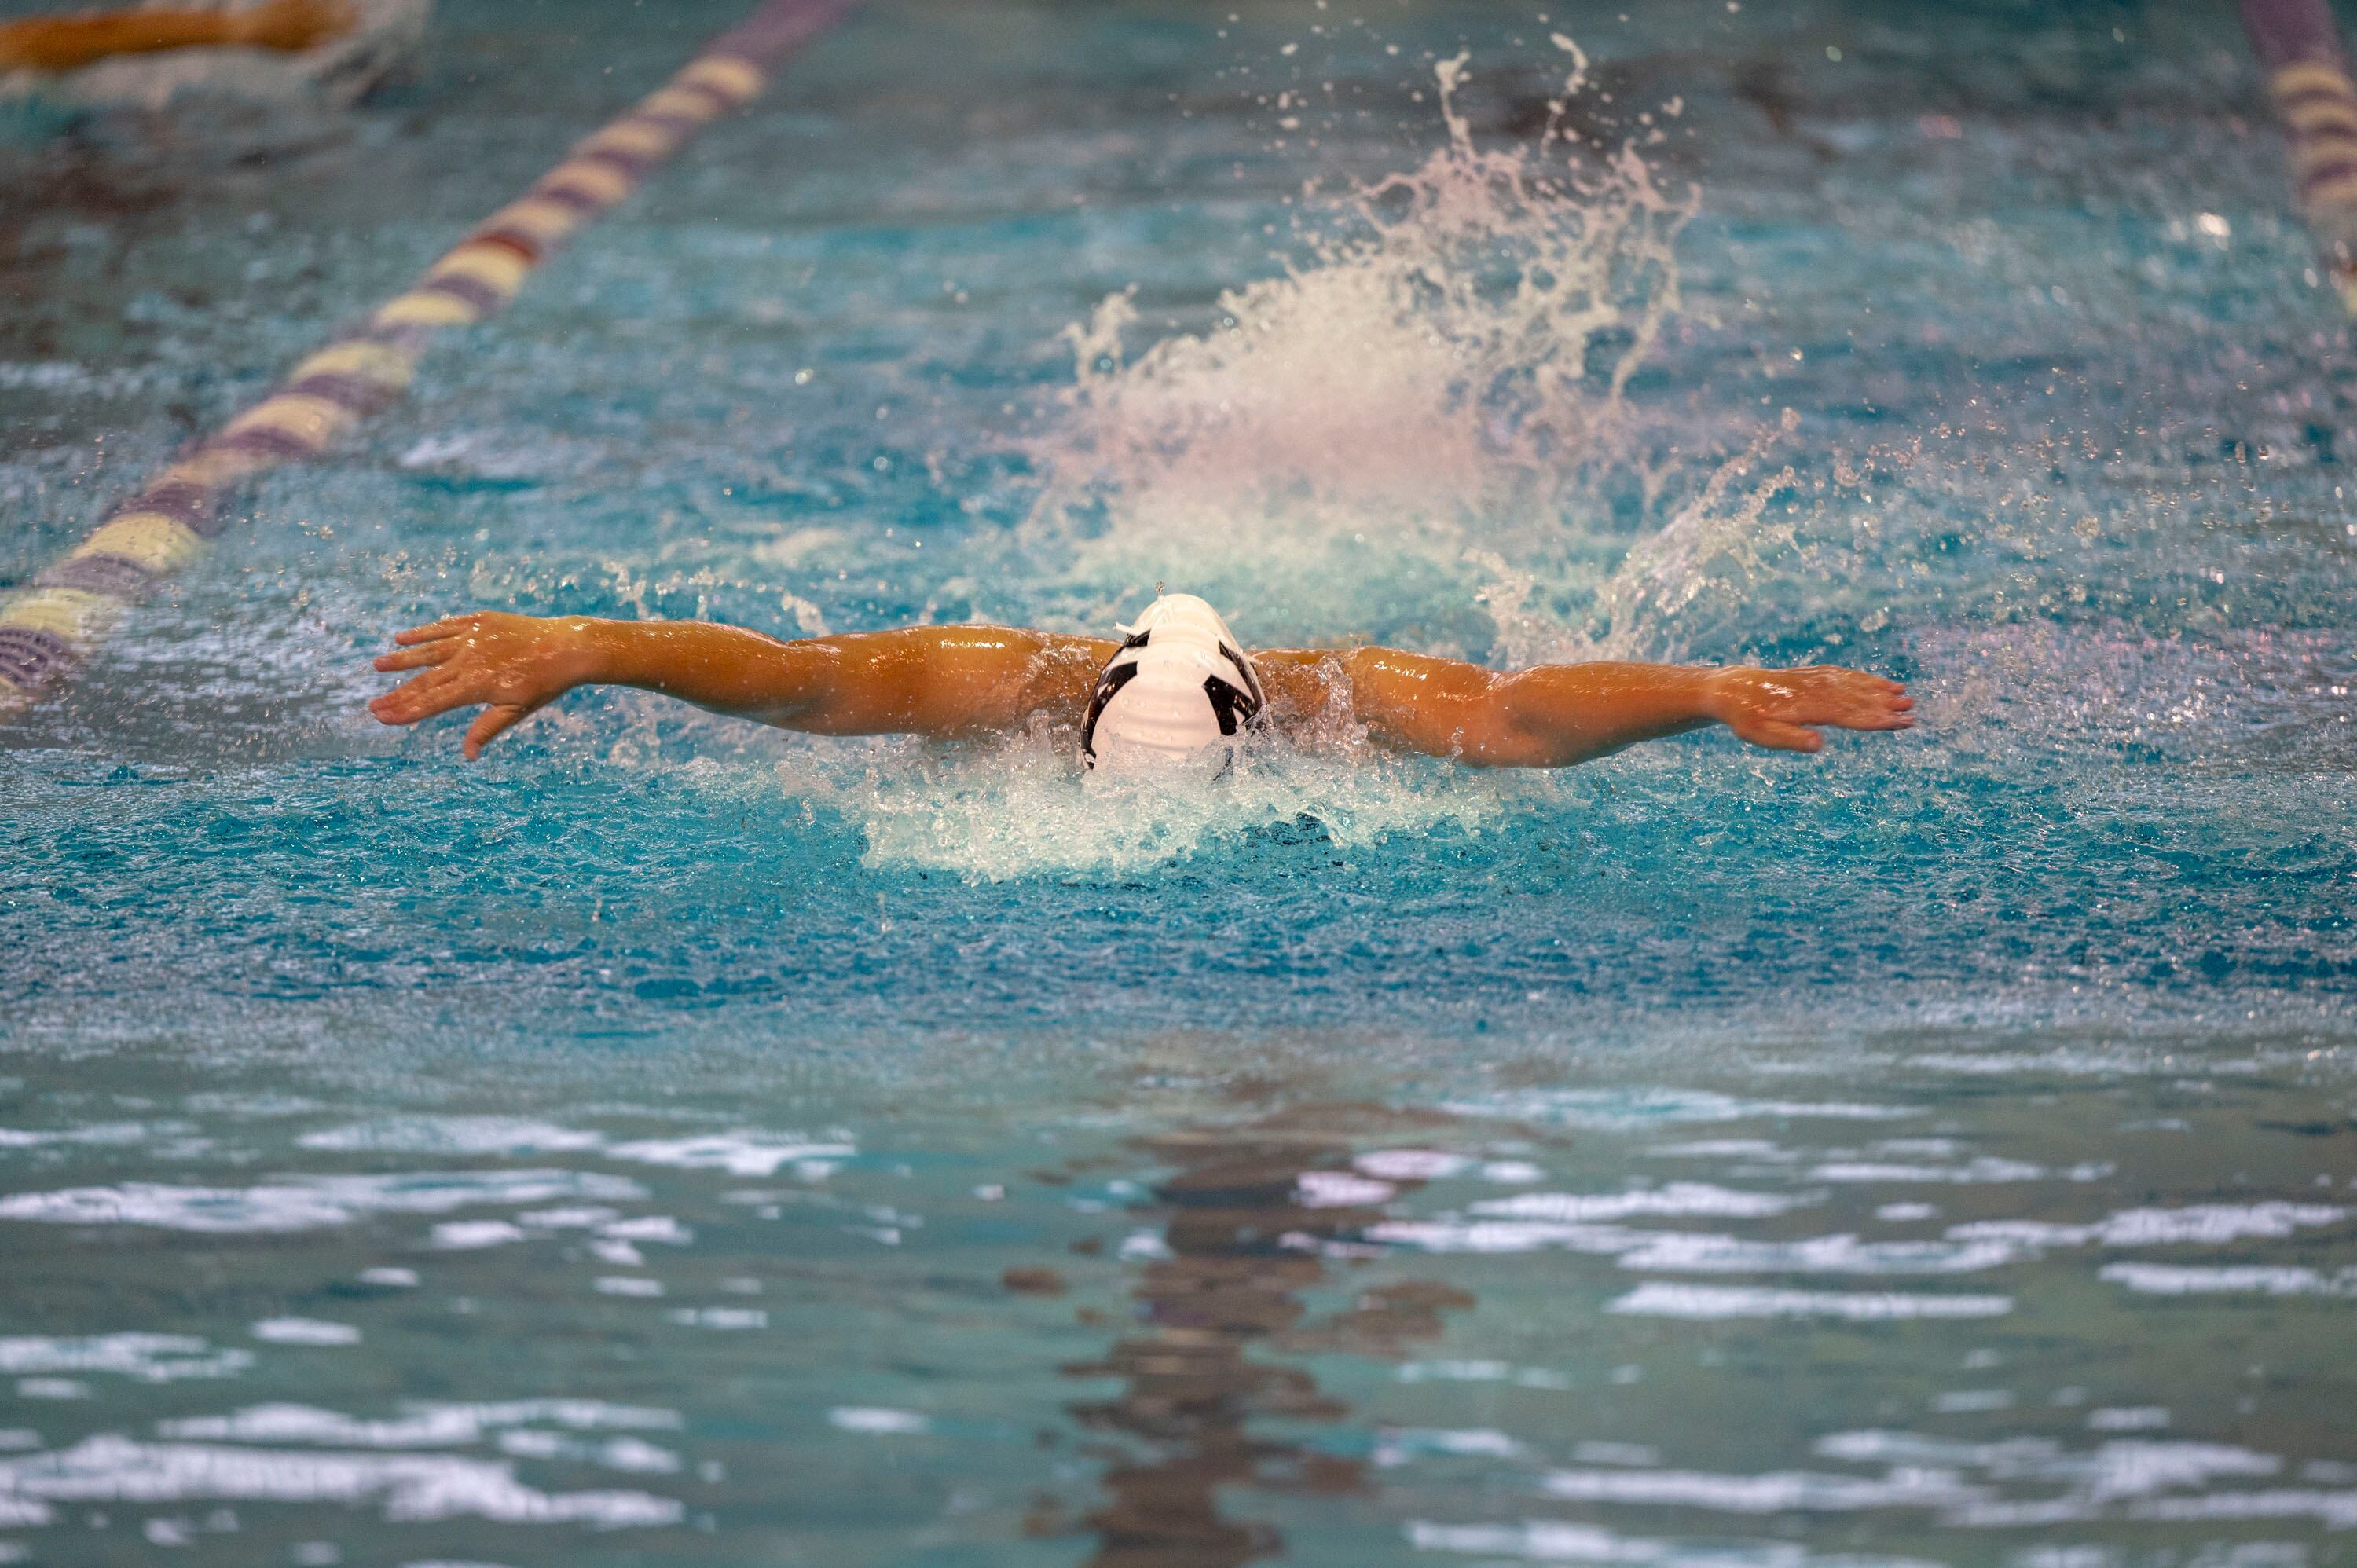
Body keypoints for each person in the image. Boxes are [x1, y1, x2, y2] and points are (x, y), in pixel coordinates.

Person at [368, 592, 1913, 771]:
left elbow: (1512, 712)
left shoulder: (1335, 693)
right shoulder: (1008, 681)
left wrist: (1708, 687)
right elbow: (802, 684)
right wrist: (600, 647)